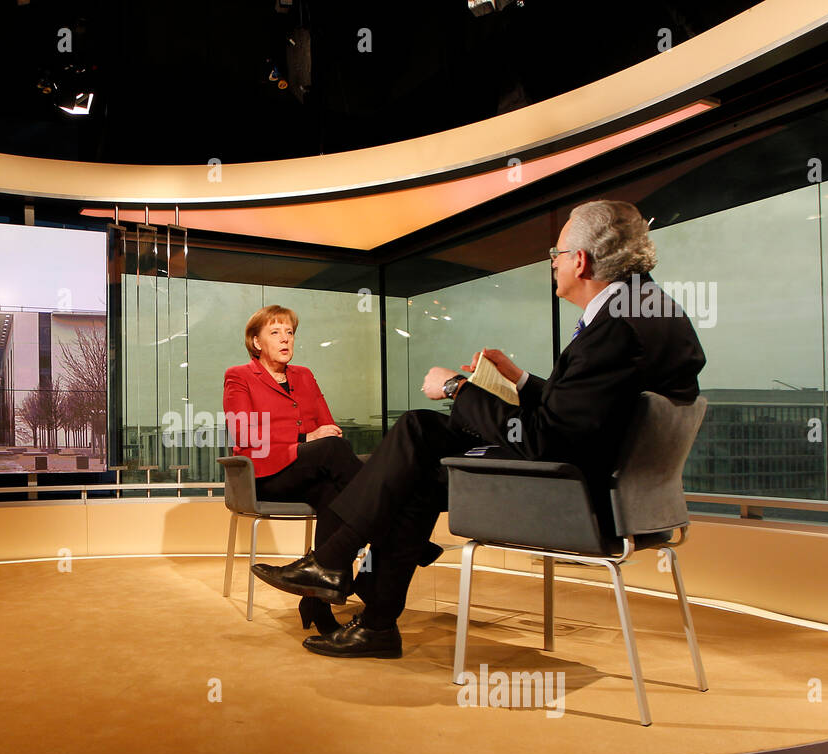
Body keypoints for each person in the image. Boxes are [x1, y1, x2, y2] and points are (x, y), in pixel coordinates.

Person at [252, 199, 707, 659]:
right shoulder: (650, 311)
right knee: (419, 447)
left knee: (417, 443)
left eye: (556, 252)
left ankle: (342, 575)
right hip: (600, 484)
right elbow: (587, 410)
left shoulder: (617, 328)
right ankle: (359, 599)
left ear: (581, 260)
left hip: (571, 498)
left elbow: (543, 441)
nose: (552, 262)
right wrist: (519, 380)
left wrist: (456, 388)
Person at [223, 305, 364, 635]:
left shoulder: (304, 375)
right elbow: (242, 432)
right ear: (256, 342)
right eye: (275, 333)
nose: (285, 339)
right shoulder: (239, 376)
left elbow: (327, 425)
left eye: (289, 332)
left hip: (305, 471)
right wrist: (304, 437)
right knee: (333, 450)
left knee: (334, 493)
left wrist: (320, 434)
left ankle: (317, 600)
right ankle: (388, 518)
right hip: (266, 475)